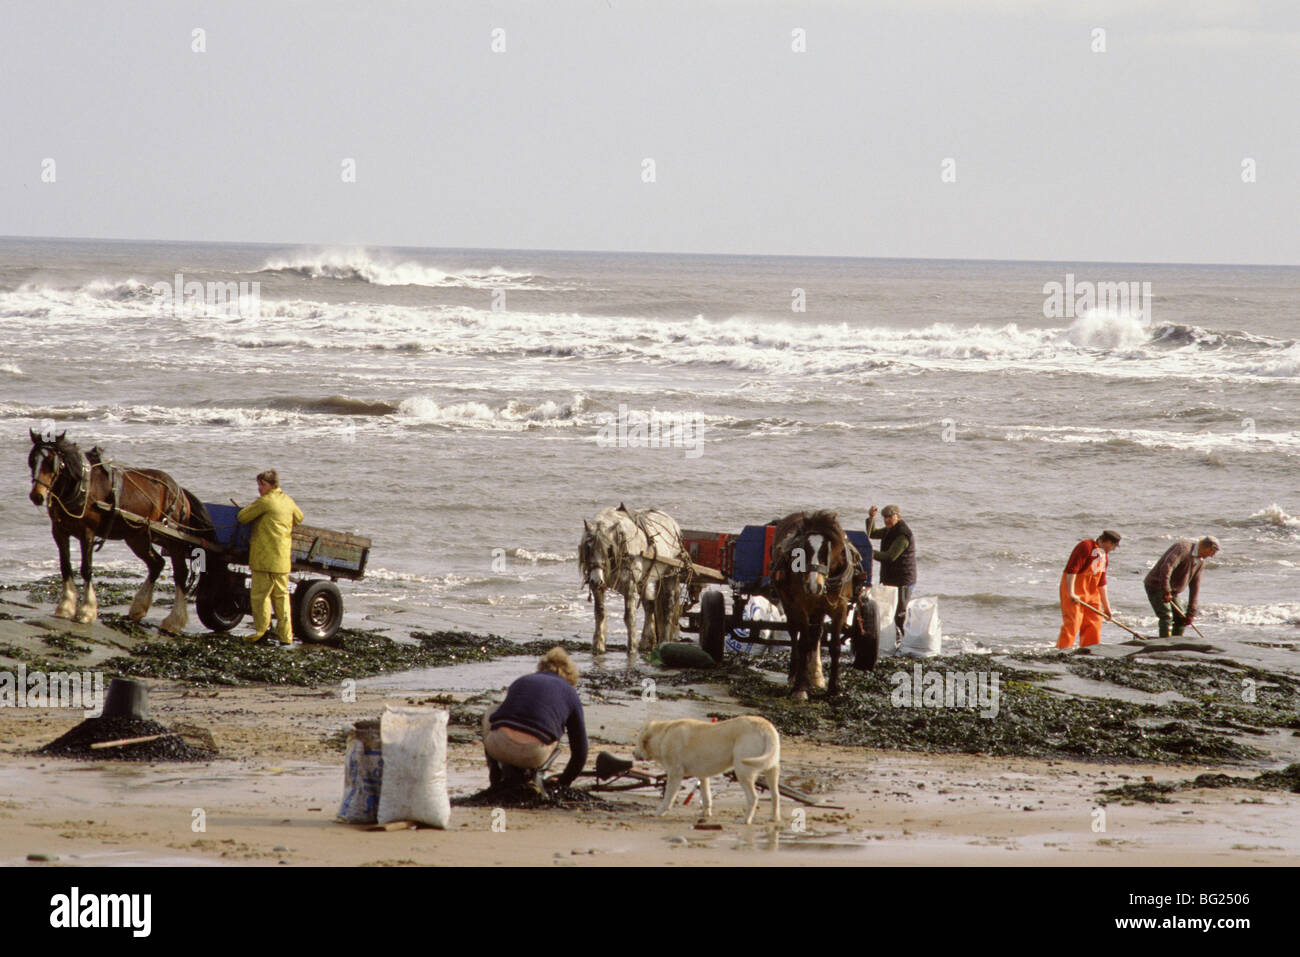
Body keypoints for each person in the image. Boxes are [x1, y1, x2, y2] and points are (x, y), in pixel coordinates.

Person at [481, 646, 588, 791]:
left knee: (492, 711)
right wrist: (563, 782)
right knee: (554, 725)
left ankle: (495, 775)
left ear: (541, 667)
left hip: (498, 747)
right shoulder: (570, 693)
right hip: (534, 754)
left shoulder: (522, 680)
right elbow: (580, 753)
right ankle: (534, 772)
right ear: (570, 676)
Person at [236, 470, 304, 646]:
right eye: (258, 484)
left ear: (272, 485)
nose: (259, 488)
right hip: (282, 560)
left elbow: (242, 517)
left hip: (264, 559)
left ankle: (261, 632)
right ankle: (286, 637)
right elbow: (299, 517)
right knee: (282, 597)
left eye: (262, 485)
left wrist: (253, 507)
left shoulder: (265, 502)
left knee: (261, 596)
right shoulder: (288, 501)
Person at [1144, 536, 1220, 638]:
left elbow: (1195, 587)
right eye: (1212, 552)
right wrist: (1166, 590)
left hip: (1172, 591)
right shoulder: (1183, 548)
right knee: (1166, 616)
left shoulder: (1200, 562)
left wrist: (1191, 612)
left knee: (1181, 618)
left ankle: (1175, 643)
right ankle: (1164, 644)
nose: (1211, 556)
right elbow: (1167, 567)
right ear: (1207, 547)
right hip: (1157, 585)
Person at [1057, 530, 1121, 649]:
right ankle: (1062, 651)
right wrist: (1071, 593)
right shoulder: (1086, 546)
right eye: (1112, 545)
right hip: (1074, 589)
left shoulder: (1104, 556)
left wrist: (1107, 608)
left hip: (1092, 593)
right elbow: (1072, 570)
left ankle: (1090, 651)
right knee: (1073, 623)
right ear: (1105, 541)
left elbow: (1101, 582)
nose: (1113, 549)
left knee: (1095, 623)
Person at [866, 504, 916, 645]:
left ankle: (903, 641)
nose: (887, 520)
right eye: (885, 517)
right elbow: (872, 533)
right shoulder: (890, 530)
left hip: (904, 579)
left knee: (900, 611)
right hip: (891, 577)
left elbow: (889, 557)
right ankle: (893, 639)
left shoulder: (903, 534)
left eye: (890, 517)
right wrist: (871, 518)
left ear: (898, 517)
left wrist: (870, 553)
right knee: (890, 608)